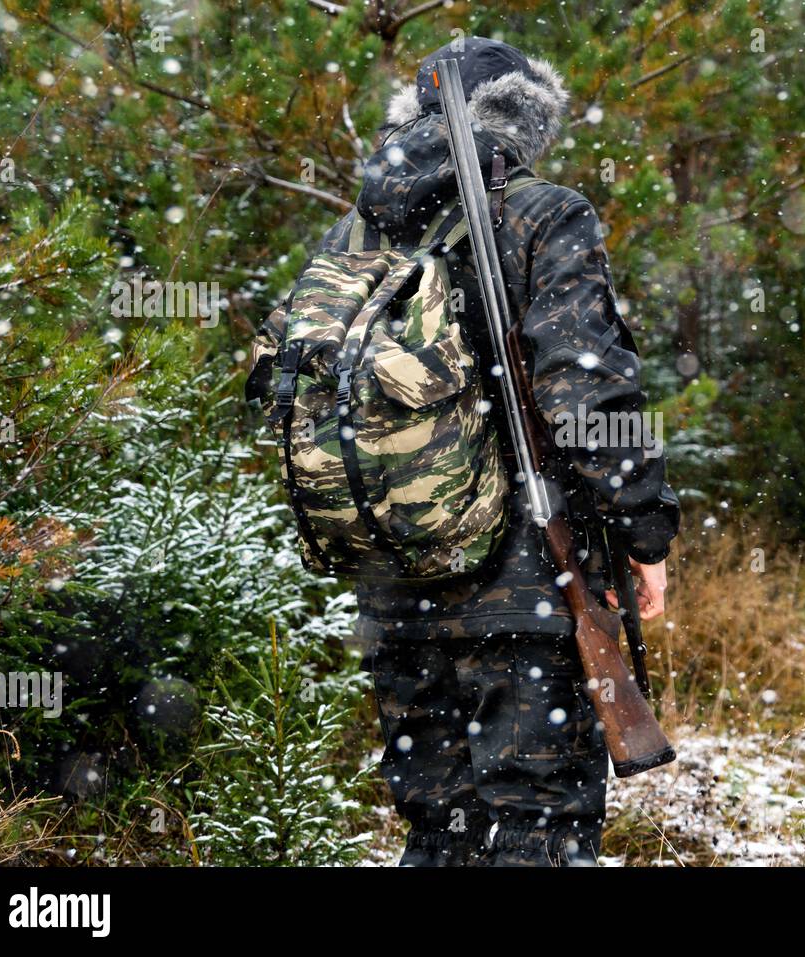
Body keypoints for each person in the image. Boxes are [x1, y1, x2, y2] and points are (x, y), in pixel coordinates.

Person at [316, 37, 680, 866]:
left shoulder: (357, 232)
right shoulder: (546, 212)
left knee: (437, 828)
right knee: (536, 828)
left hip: (394, 577)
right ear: (525, 116)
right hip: (524, 581)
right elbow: (589, 395)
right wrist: (645, 531)